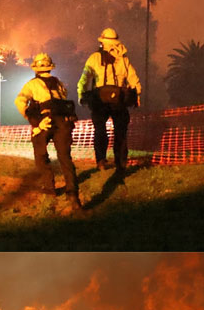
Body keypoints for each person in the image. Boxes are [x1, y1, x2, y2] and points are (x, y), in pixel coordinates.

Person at [16, 53, 83, 212]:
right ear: (50, 67)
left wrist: (33, 121)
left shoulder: (31, 85)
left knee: (40, 154)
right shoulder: (59, 83)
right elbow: (63, 99)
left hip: (44, 123)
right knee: (65, 157)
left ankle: (49, 187)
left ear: (36, 68)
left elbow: (19, 101)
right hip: (63, 123)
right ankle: (72, 192)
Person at [78, 27, 141, 177]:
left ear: (102, 42)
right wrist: (137, 94)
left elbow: (84, 78)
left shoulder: (94, 58)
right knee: (120, 133)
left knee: (100, 131)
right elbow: (133, 78)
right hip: (119, 100)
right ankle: (120, 164)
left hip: (99, 100)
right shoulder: (123, 59)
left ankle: (101, 161)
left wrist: (81, 94)